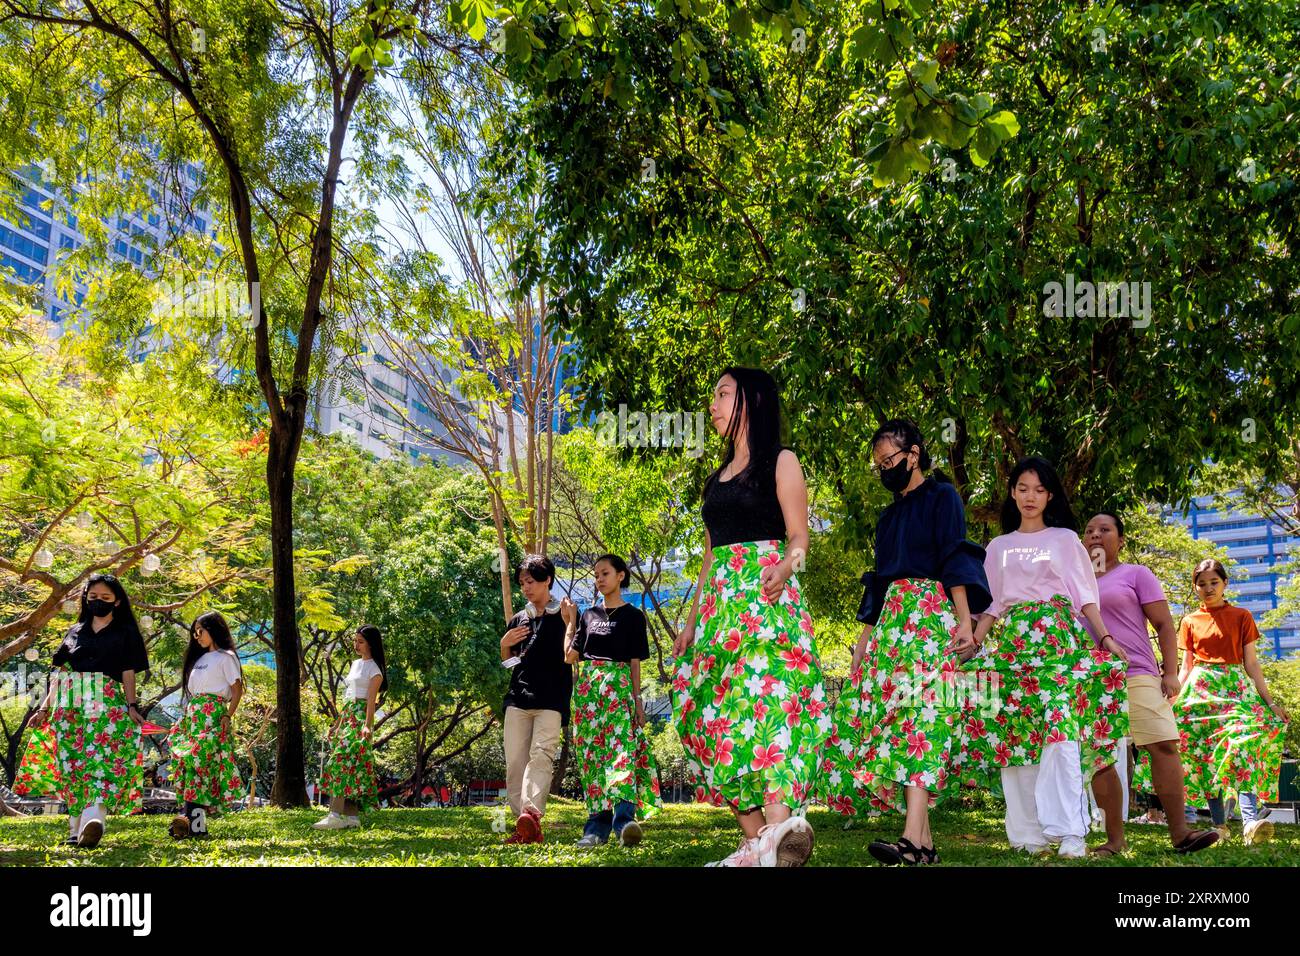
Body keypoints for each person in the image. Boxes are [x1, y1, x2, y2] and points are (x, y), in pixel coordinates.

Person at [671, 367, 829, 867]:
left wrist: (785, 566)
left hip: (769, 605)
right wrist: (692, 621)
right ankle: (761, 842)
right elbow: (709, 556)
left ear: (752, 401)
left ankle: (779, 827)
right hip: (721, 612)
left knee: (772, 705)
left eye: (722, 394)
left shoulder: (781, 461)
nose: (713, 405)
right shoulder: (715, 478)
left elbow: (801, 539)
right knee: (714, 715)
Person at [822, 419, 992, 865]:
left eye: (890, 460)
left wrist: (963, 623)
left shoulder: (943, 496)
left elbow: (955, 557)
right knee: (903, 726)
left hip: (931, 618)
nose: (884, 469)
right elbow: (878, 584)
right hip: (892, 626)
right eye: (878, 464)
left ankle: (912, 841)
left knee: (925, 719)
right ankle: (926, 846)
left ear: (914, 454)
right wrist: (863, 640)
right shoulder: (887, 516)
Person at [963, 457, 1129, 858]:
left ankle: (1071, 833)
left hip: (1058, 642)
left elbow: (1085, 596)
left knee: (1061, 733)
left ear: (1049, 494)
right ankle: (1028, 835)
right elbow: (993, 605)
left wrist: (1104, 637)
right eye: (1022, 488)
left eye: (1038, 489)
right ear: (1013, 493)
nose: (1030, 497)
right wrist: (972, 643)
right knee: (1015, 736)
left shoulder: (1065, 539)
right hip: (1014, 646)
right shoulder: (998, 547)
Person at [1081, 512, 1219, 855]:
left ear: (1121, 539)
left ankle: (1180, 832)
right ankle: (1114, 841)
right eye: (1089, 531)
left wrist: (1170, 672)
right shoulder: (1074, 582)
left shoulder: (1136, 574)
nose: (1096, 535)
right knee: (1101, 759)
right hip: (1091, 679)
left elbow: (1163, 625)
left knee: (1163, 744)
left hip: (1136, 671)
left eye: (1105, 529)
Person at [1144, 559, 1289, 844]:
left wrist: (1270, 702)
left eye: (1214, 582)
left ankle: (1249, 822)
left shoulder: (1242, 615)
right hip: (1199, 691)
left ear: (1225, 584)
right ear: (1195, 586)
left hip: (1235, 689)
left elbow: (1252, 664)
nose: (1208, 588)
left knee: (1242, 745)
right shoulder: (1189, 621)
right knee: (1205, 756)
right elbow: (1186, 666)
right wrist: (1171, 700)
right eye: (1202, 583)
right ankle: (1220, 825)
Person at [16, 574, 149, 848]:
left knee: (100, 761)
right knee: (73, 765)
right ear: (85, 598)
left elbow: (128, 671)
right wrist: (43, 709)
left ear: (118, 601)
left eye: (105, 598)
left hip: (106, 703)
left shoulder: (126, 633)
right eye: (93, 597)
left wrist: (132, 705)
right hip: (69, 705)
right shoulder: (74, 631)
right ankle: (75, 832)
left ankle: (94, 820)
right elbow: (60, 674)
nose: (98, 602)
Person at [564, 554, 663, 848]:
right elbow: (570, 656)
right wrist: (570, 623)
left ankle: (624, 824)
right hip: (588, 691)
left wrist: (639, 702)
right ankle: (594, 830)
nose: (599, 579)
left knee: (622, 754)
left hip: (618, 689)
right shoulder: (588, 615)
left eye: (605, 573)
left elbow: (635, 663)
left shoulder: (633, 616)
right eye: (596, 575)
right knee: (592, 757)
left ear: (621, 576)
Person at [499, 554, 572, 845]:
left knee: (540, 756)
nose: (526, 587)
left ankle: (531, 816)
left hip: (552, 700)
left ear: (548, 580)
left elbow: (572, 654)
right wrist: (504, 647)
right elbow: (510, 665)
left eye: (531, 581)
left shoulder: (564, 614)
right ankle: (523, 827)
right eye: (521, 583)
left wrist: (572, 622)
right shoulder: (519, 618)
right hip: (518, 699)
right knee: (515, 763)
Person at [168, 611, 246, 839]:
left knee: (202, 765)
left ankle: (191, 822)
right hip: (193, 716)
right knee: (190, 765)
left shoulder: (226, 657)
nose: (197, 636)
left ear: (213, 630)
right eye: (194, 632)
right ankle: (192, 823)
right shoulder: (200, 659)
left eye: (200, 631)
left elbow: (237, 688)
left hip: (213, 716)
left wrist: (227, 716)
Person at [314, 625, 387, 830]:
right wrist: (336, 724)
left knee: (342, 762)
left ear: (371, 643)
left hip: (361, 719)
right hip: (348, 717)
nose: (356, 645)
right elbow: (348, 699)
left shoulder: (375, 670)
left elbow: (371, 702)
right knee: (350, 766)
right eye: (354, 640)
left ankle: (335, 815)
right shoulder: (355, 664)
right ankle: (352, 819)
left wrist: (367, 727)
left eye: (360, 641)